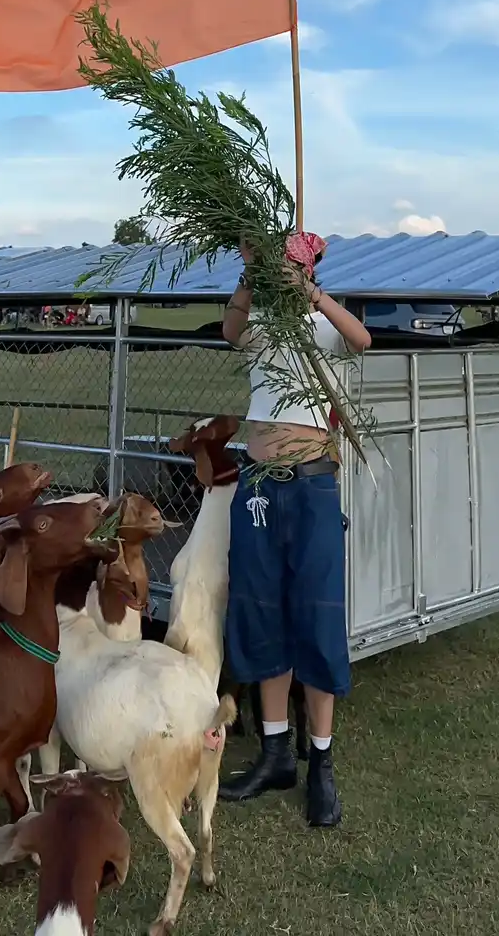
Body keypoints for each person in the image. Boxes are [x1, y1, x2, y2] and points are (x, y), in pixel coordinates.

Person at [218, 232, 371, 827]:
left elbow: (363, 340)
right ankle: (276, 752)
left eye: (291, 268)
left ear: (308, 270)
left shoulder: (325, 328)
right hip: (258, 483)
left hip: (310, 485)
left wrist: (313, 293)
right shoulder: (262, 324)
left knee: (315, 614)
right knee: (264, 609)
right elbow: (231, 332)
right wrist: (249, 275)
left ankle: (322, 766)